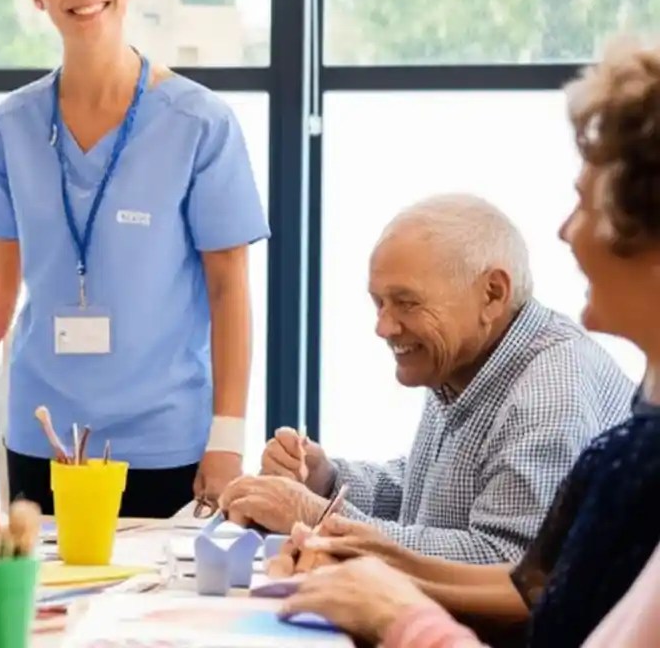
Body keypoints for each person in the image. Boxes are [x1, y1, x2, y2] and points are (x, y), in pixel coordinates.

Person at [271, 37, 660, 648]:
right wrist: (334, 495)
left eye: (585, 204)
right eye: (378, 303)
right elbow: (495, 553)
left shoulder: (569, 405)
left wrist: (339, 536)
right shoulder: (472, 366)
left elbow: (508, 571)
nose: (562, 233)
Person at [0, 0, 269, 518]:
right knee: (47, 607)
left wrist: (227, 440)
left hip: (163, 439)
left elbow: (229, 287)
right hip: (43, 433)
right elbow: (6, 273)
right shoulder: (12, 125)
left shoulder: (200, 124)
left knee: (156, 606)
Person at [220, 194, 634, 563]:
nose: (383, 327)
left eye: (406, 303)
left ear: (492, 293)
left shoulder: (548, 394)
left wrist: (317, 517)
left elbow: (506, 565)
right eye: (378, 303)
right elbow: (432, 498)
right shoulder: (466, 360)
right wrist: (328, 479)